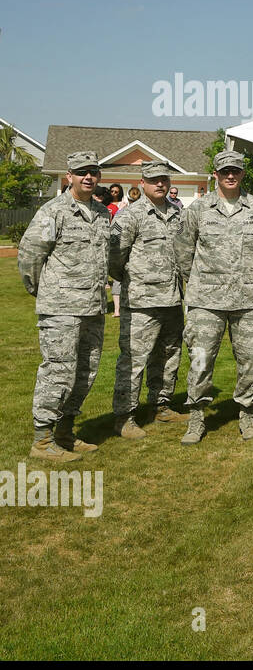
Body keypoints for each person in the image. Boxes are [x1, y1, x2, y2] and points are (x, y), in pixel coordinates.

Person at [19, 151, 112, 461]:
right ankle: (42, 441)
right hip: (61, 309)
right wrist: (43, 290)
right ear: (69, 176)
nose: (88, 177)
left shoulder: (102, 213)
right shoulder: (54, 211)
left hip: (93, 307)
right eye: (81, 172)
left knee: (85, 371)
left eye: (93, 172)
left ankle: (65, 432)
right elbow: (30, 255)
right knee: (58, 371)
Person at [175, 150, 253, 444]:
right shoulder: (198, 209)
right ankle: (196, 417)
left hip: (249, 299)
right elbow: (183, 254)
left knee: (251, 360)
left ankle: (247, 412)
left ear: (243, 174)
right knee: (201, 360)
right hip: (206, 301)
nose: (231, 176)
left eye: (236, 171)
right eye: (225, 171)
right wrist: (198, 287)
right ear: (215, 174)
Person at [109, 161, 187, 440]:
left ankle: (161, 405)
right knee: (133, 360)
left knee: (168, 356)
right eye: (153, 180)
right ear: (142, 183)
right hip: (141, 301)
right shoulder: (130, 216)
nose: (159, 184)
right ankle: (124, 416)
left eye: (163, 179)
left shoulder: (179, 214)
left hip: (172, 299)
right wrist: (135, 280)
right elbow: (115, 259)